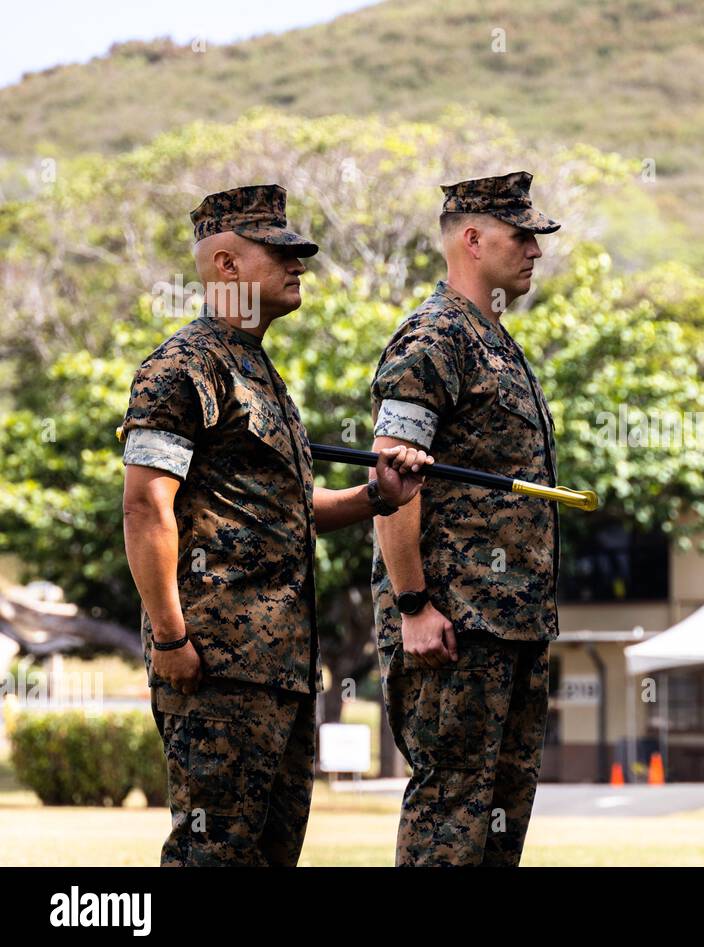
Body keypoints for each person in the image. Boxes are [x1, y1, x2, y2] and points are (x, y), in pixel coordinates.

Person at [121, 184, 432, 866]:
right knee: (213, 852)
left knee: (267, 854)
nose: (300, 265)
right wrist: (171, 637)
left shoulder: (258, 373)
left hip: (281, 666)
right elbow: (145, 506)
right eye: (282, 252)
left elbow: (290, 510)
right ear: (226, 266)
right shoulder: (183, 368)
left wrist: (377, 495)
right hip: (215, 662)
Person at [369, 170, 561, 866]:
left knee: (503, 819)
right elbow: (391, 480)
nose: (536, 250)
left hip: (512, 625)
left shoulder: (496, 341)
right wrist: (413, 603)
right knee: (450, 814)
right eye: (523, 236)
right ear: (473, 240)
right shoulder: (434, 337)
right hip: (454, 626)